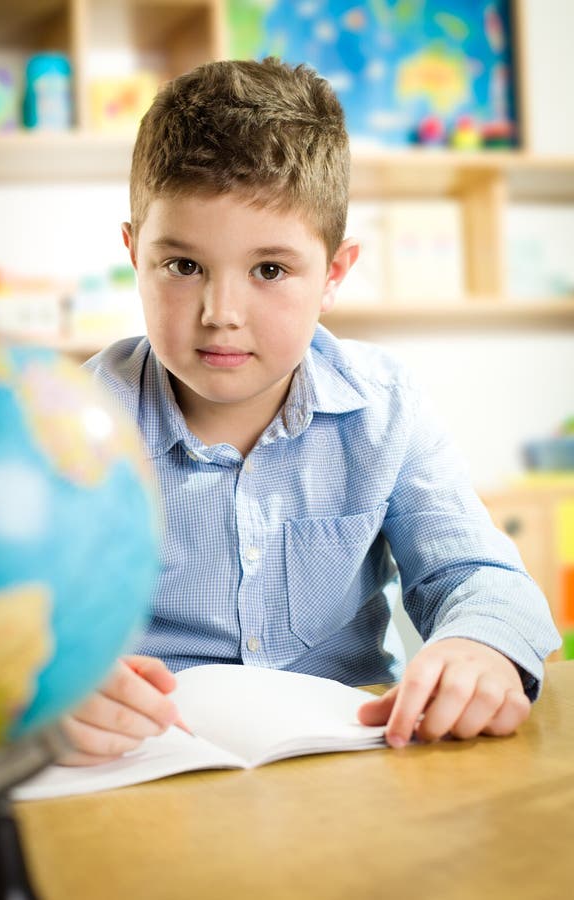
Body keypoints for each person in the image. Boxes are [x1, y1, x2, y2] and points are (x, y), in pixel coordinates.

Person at [62, 57, 560, 765]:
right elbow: (2, 610)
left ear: (333, 274)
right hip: (143, 768)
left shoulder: (383, 408)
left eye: (269, 270)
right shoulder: (70, 425)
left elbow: (478, 574)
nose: (221, 314)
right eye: (183, 266)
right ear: (134, 254)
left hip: (347, 764)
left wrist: (481, 645)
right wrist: (46, 688)